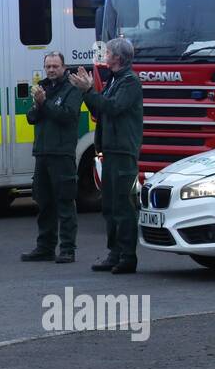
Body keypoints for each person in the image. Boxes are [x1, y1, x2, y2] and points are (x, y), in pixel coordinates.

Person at [70, 38, 143, 274]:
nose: (105, 55)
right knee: (110, 205)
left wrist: (89, 91)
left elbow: (112, 107)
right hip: (111, 150)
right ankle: (115, 253)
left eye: (108, 52)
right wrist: (89, 93)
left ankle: (127, 256)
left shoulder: (129, 82)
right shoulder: (116, 80)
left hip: (122, 151)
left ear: (118, 58)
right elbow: (101, 109)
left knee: (123, 205)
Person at [21, 51, 83, 264]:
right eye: (48, 66)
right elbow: (30, 117)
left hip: (62, 154)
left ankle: (67, 248)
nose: (51, 70)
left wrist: (44, 103)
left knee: (65, 203)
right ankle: (45, 247)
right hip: (42, 153)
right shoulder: (44, 87)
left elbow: (67, 115)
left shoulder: (72, 89)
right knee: (44, 202)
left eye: (55, 66)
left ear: (64, 67)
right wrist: (39, 104)